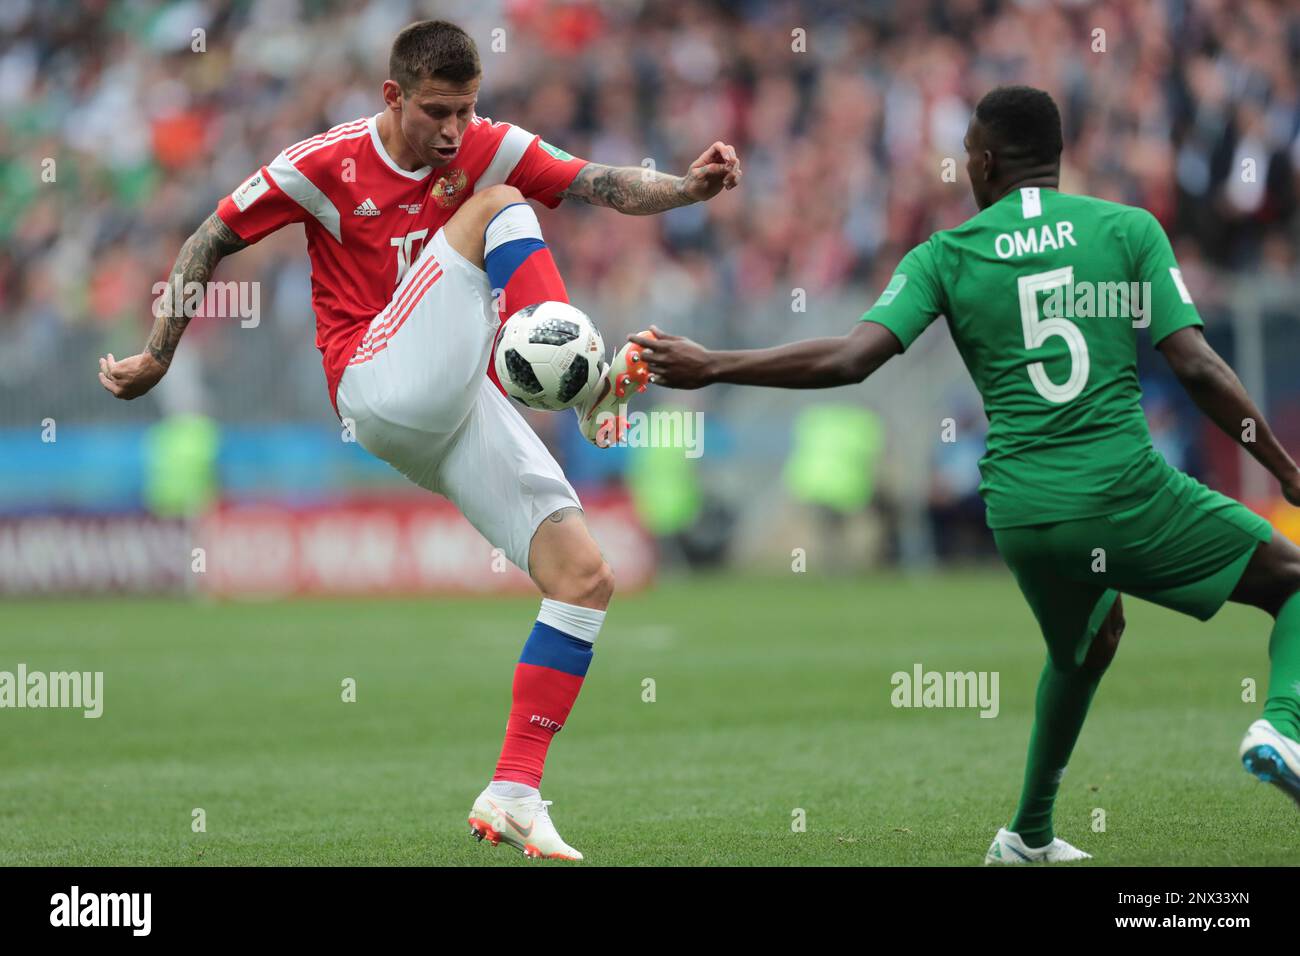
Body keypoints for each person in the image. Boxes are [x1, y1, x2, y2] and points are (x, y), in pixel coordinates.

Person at [97, 19, 741, 861]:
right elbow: (208, 238)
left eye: (466, 112)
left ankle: (513, 790)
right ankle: (582, 379)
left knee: (584, 578)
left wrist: (690, 190)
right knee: (500, 208)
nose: (453, 131)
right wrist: (158, 350)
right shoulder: (324, 165)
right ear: (393, 96)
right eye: (437, 111)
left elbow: (601, 184)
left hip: (450, 406)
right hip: (373, 381)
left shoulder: (484, 142)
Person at [634, 85, 1300, 863]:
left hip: (1019, 509)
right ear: (1055, 158)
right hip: (1120, 489)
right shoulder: (1126, 229)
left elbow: (853, 359)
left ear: (981, 162)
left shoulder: (945, 254)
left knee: (1087, 644)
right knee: (1291, 580)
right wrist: (1285, 470)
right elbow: (1195, 363)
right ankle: (1284, 725)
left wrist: (714, 364)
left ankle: (1028, 835)